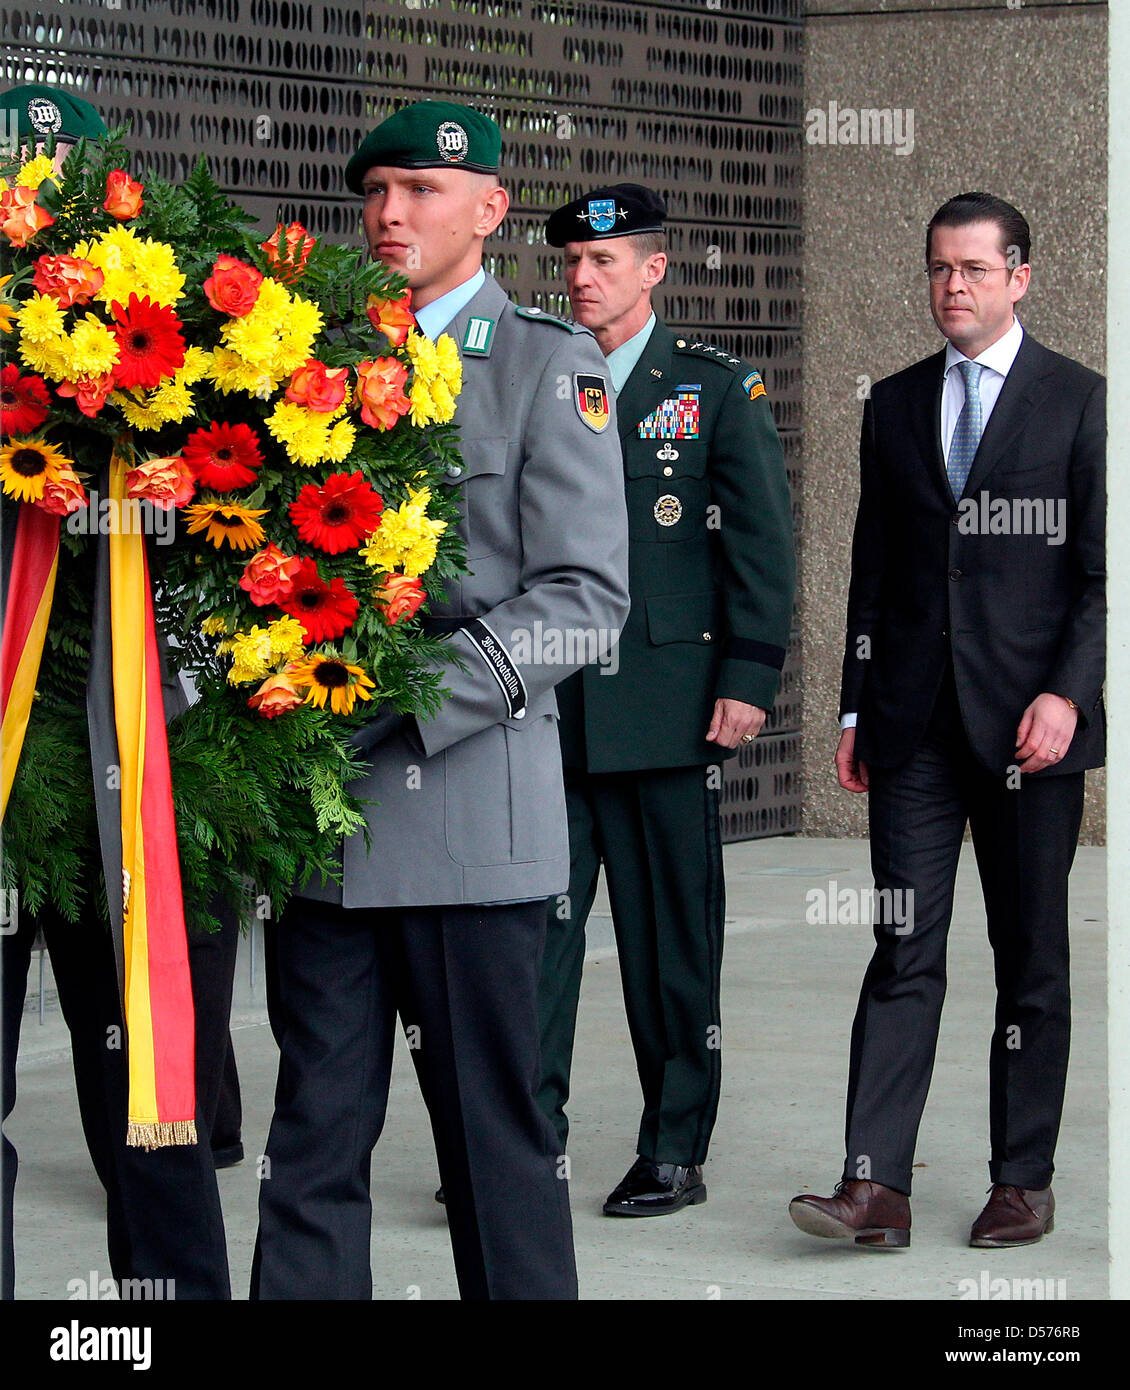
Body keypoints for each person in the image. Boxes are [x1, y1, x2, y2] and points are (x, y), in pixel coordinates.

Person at [250, 101, 630, 1300]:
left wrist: (410, 693)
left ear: (489, 209)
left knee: (494, 1152)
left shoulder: (543, 363)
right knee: (309, 1145)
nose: (390, 213)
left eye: (419, 189)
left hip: (469, 825)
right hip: (327, 828)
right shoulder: (306, 352)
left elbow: (585, 597)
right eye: (375, 192)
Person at [789, 192, 1105, 1250]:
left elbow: (1099, 582)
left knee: (1030, 958)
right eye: (937, 268)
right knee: (900, 946)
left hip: (1028, 730)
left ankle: (1019, 1177)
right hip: (911, 724)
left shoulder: (1079, 402)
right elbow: (871, 566)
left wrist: (1064, 693)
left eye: (972, 268)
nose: (951, 286)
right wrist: (850, 701)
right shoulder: (891, 402)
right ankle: (871, 1186)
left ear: (1019, 276)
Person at [0, 84, 231, 1298]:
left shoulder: (184, 356)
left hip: (129, 766)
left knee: (146, 1084)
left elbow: (248, 554)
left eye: (53, 191)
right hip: (4, 767)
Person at [535, 184, 795, 1216]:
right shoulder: (542, 380)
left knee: (669, 943)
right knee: (533, 941)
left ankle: (673, 1148)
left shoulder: (715, 390)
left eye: (604, 262)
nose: (582, 278)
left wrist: (747, 679)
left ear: (653, 269)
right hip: (552, 710)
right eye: (571, 263)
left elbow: (760, 544)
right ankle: (524, 1137)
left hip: (666, 707)